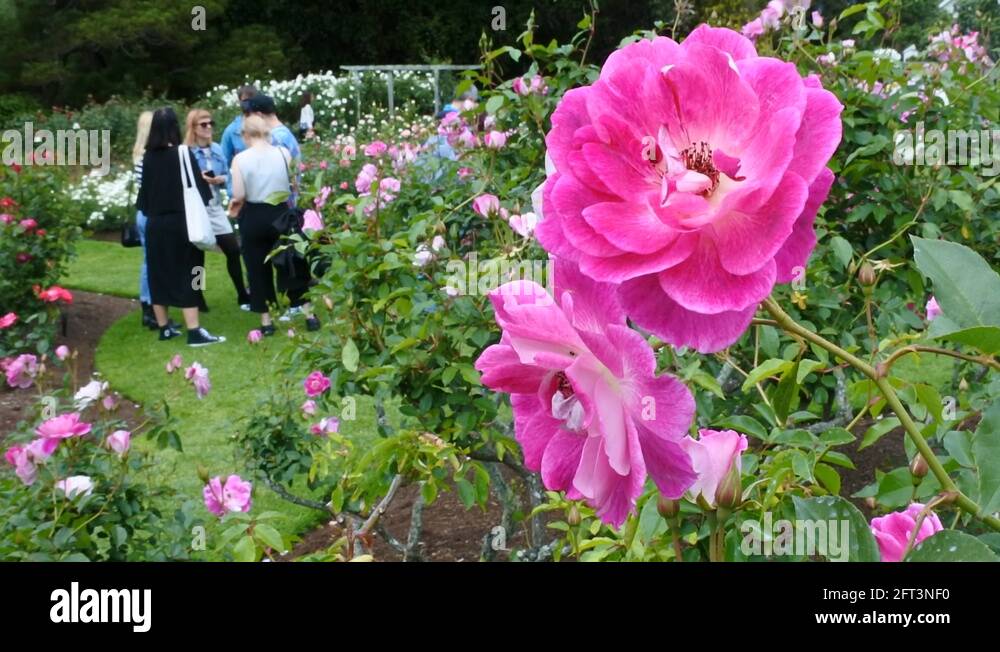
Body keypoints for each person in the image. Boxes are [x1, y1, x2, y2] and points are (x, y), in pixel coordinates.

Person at [137, 107, 226, 347]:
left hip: (156, 223)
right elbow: (203, 191)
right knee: (193, 269)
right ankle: (194, 329)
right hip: (183, 222)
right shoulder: (183, 153)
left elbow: (143, 199)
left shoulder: (148, 157)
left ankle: (164, 327)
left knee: (159, 273)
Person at [229, 115, 319, 337]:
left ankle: (266, 321)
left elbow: (239, 194)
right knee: (292, 264)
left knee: (257, 268)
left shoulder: (240, 159)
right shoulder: (283, 153)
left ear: (245, 135)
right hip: (280, 213)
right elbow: (294, 184)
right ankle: (309, 314)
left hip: (254, 215)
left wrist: (233, 206)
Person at [184, 108, 251, 310]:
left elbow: (228, 176)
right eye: (203, 124)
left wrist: (220, 179)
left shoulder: (217, 149)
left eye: (210, 123)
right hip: (197, 209)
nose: (208, 128)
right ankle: (198, 298)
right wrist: (199, 179)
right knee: (196, 256)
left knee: (232, 250)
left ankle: (242, 293)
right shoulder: (186, 152)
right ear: (193, 128)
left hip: (214, 206)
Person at [246, 94, 301, 206]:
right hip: (291, 200)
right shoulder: (285, 133)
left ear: (259, 115)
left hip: (281, 204)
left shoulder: (274, 139)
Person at [132, 110, 158, 329]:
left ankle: (150, 305)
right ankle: (149, 305)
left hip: (145, 212)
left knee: (150, 260)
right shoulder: (147, 156)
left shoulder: (140, 153)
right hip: (150, 213)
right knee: (150, 261)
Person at [220, 85, 257, 196]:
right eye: (245, 100)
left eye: (252, 100)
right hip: (241, 192)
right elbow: (223, 164)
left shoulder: (267, 127)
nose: (248, 104)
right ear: (239, 102)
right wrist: (231, 188)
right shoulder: (231, 131)